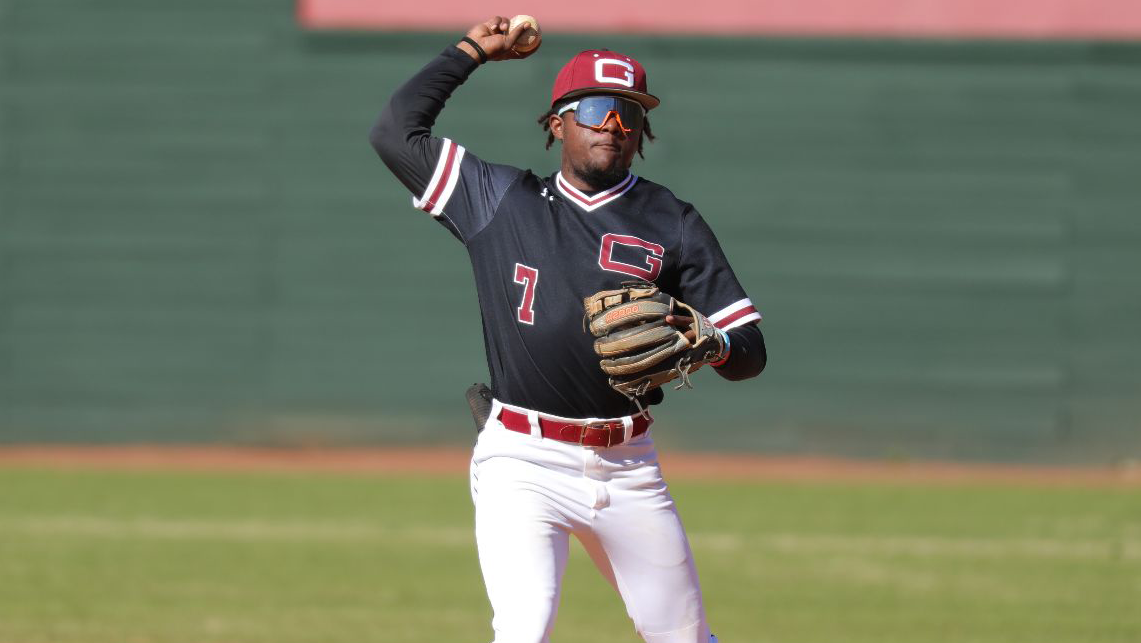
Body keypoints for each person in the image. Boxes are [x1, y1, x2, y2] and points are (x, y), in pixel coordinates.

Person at [370, 16, 766, 643]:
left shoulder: (673, 221)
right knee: (524, 631)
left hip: (628, 464)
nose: (614, 125)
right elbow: (395, 133)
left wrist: (712, 342)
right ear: (558, 123)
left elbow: (750, 350)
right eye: (598, 108)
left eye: (629, 113)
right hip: (521, 460)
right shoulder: (499, 199)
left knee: (685, 637)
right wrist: (471, 51)